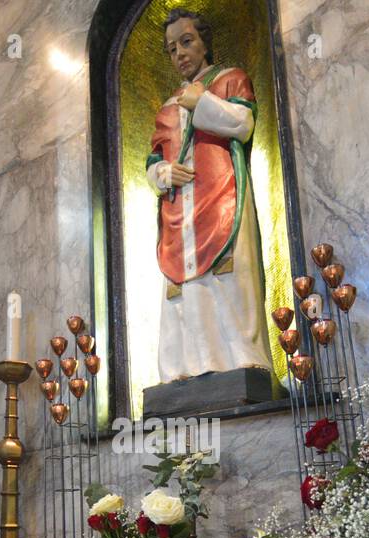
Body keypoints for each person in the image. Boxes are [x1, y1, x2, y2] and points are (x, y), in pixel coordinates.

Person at [147, 8, 272, 385]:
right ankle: (182, 370)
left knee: (226, 281)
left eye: (187, 42)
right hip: (179, 215)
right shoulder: (166, 107)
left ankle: (237, 362)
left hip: (221, 198)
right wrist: (163, 173)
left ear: (204, 43)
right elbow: (154, 159)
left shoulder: (230, 79)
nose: (180, 53)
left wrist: (200, 103)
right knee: (183, 293)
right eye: (172, 49)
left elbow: (242, 124)